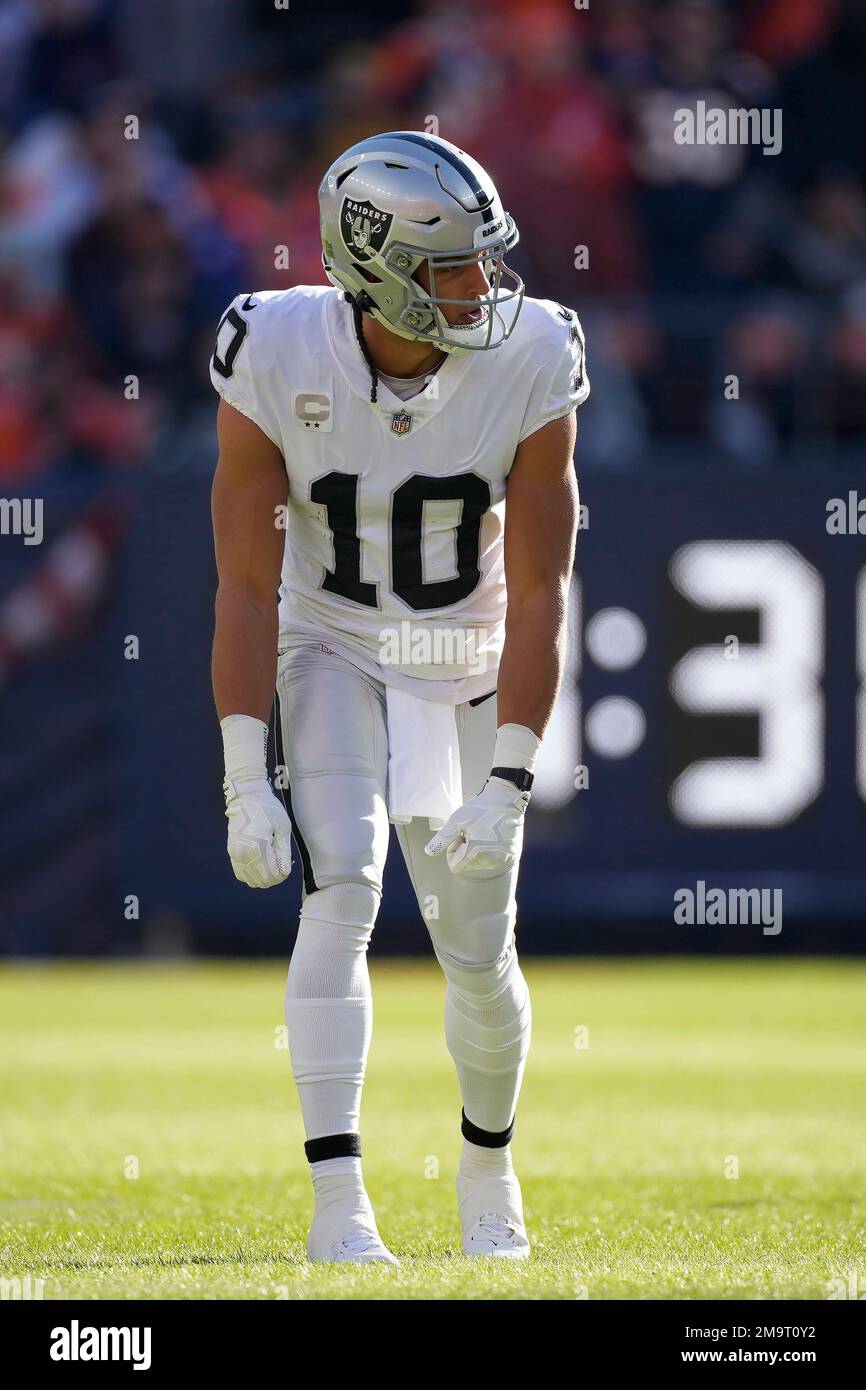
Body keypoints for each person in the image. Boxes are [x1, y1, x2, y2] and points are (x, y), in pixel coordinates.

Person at [209, 131, 589, 1263]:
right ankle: (339, 1206)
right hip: (330, 638)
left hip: (465, 651)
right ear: (376, 270)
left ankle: (488, 1172)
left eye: (484, 256)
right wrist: (243, 778)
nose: (484, 284)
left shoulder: (536, 351)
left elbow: (541, 588)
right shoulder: (273, 344)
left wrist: (510, 782)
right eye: (452, 265)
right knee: (342, 885)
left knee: (476, 947)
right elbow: (243, 583)